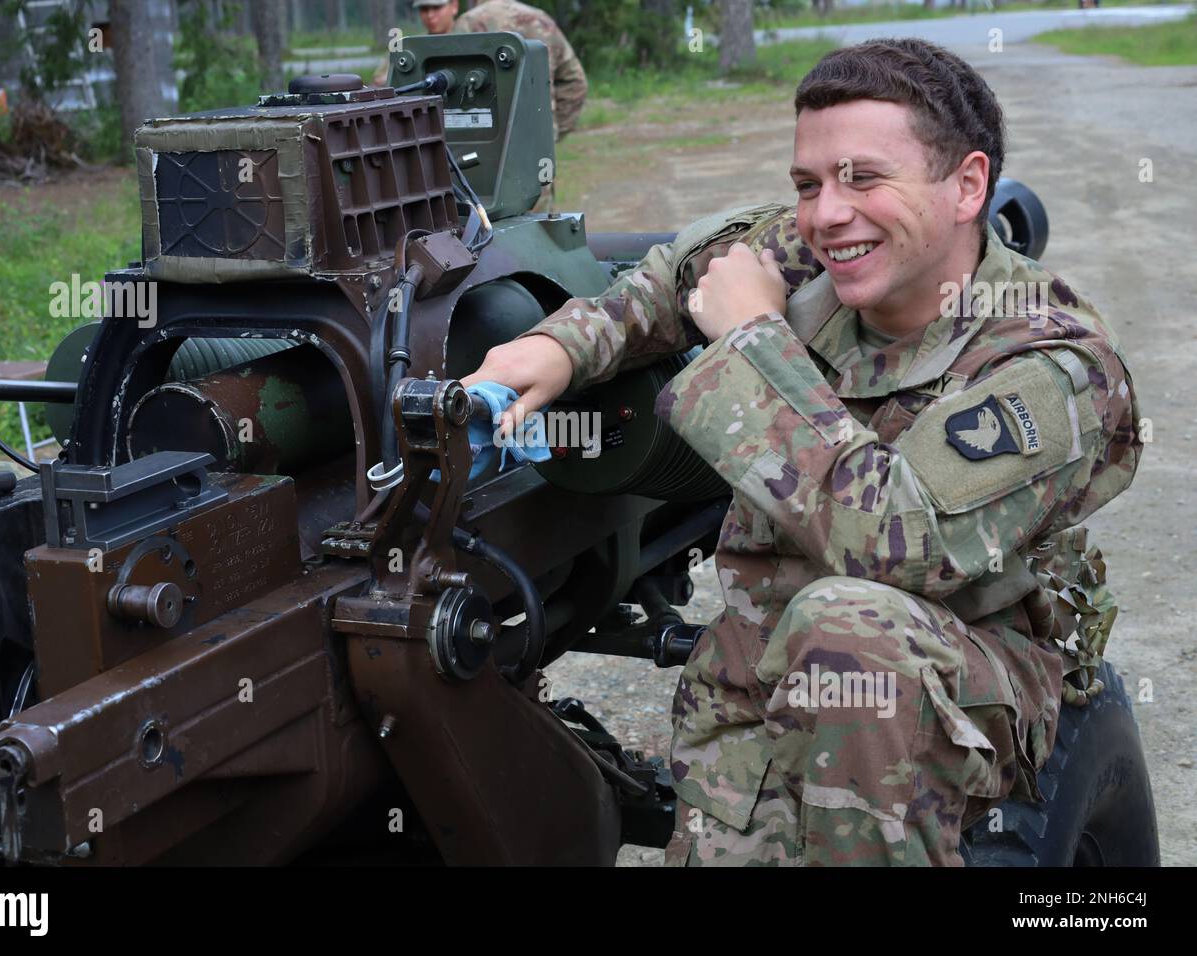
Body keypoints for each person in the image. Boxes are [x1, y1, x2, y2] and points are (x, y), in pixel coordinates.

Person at [460, 37, 1142, 866]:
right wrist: (553, 351)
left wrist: (752, 337)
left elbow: (892, 545)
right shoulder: (819, 244)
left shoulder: (1051, 367)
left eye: (864, 177)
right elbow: (675, 276)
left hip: (953, 670)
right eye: (809, 183)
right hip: (766, 682)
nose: (825, 214)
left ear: (968, 185)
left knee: (848, 623)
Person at [452, 0, 588, 141]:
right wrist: (553, 130)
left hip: (487, 139)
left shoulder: (468, 21)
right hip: (539, 135)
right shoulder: (541, 19)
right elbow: (575, 81)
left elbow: (454, 83)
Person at [372, 1, 460, 87]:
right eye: (424, 9)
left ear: (454, 6)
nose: (430, 15)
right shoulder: (409, 45)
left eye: (437, 8)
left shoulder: (469, 32)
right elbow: (379, 80)